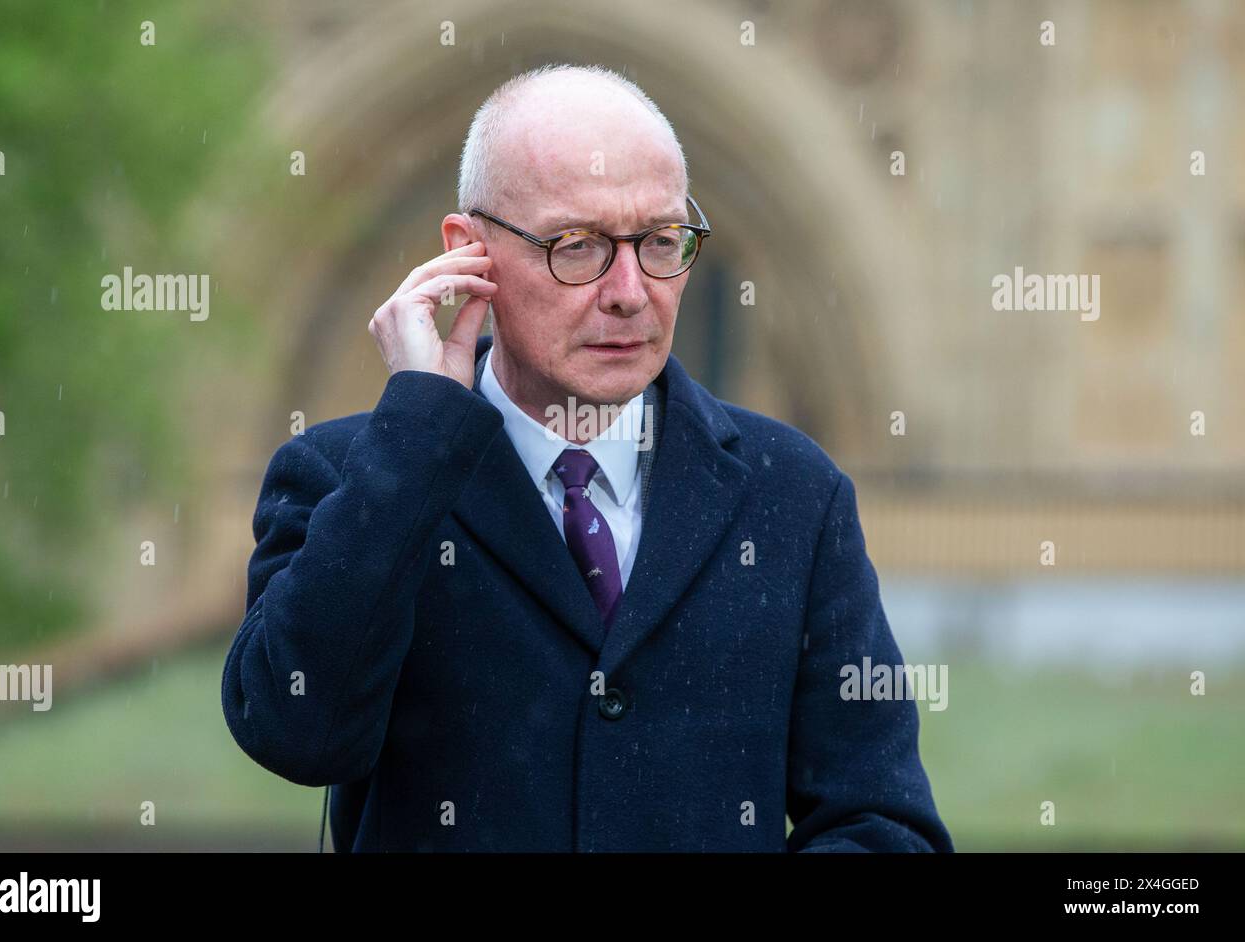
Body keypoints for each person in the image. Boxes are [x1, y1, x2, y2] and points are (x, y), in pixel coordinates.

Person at [221, 62, 953, 853]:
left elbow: (882, 823)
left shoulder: (794, 493)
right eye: (579, 246)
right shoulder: (349, 474)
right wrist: (416, 431)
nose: (631, 292)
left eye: (662, 242)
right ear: (469, 253)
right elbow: (296, 734)